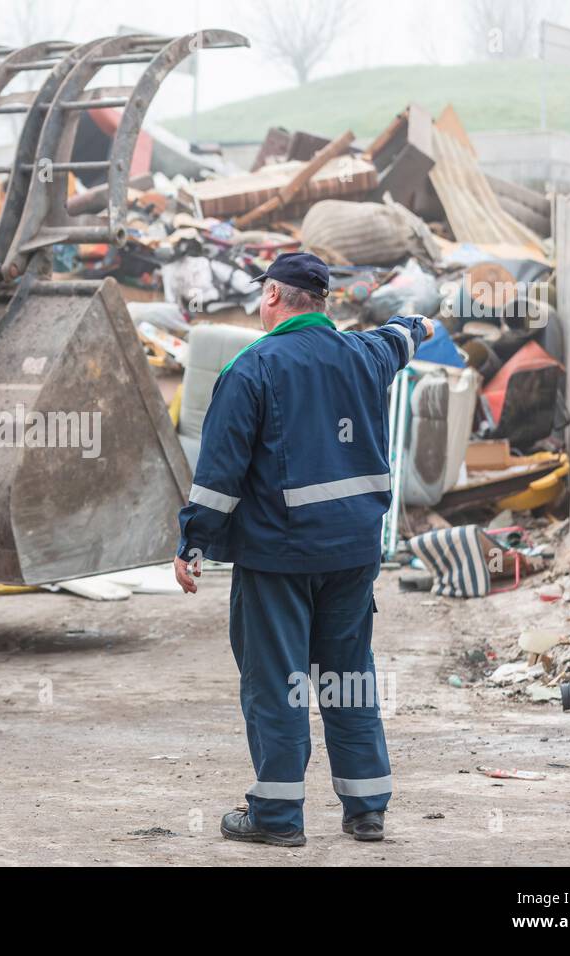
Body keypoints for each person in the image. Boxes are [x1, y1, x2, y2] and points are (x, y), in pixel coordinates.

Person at [174, 251, 434, 846]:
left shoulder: (253, 368)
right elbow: (400, 337)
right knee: (348, 679)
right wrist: (420, 325)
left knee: (278, 683)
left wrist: (193, 543)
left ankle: (276, 817)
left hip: (278, 561)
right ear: (322, 302)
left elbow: (218, 475)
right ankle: (366, 808)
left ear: (272, 297)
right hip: (352, 556)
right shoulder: (365, 356)